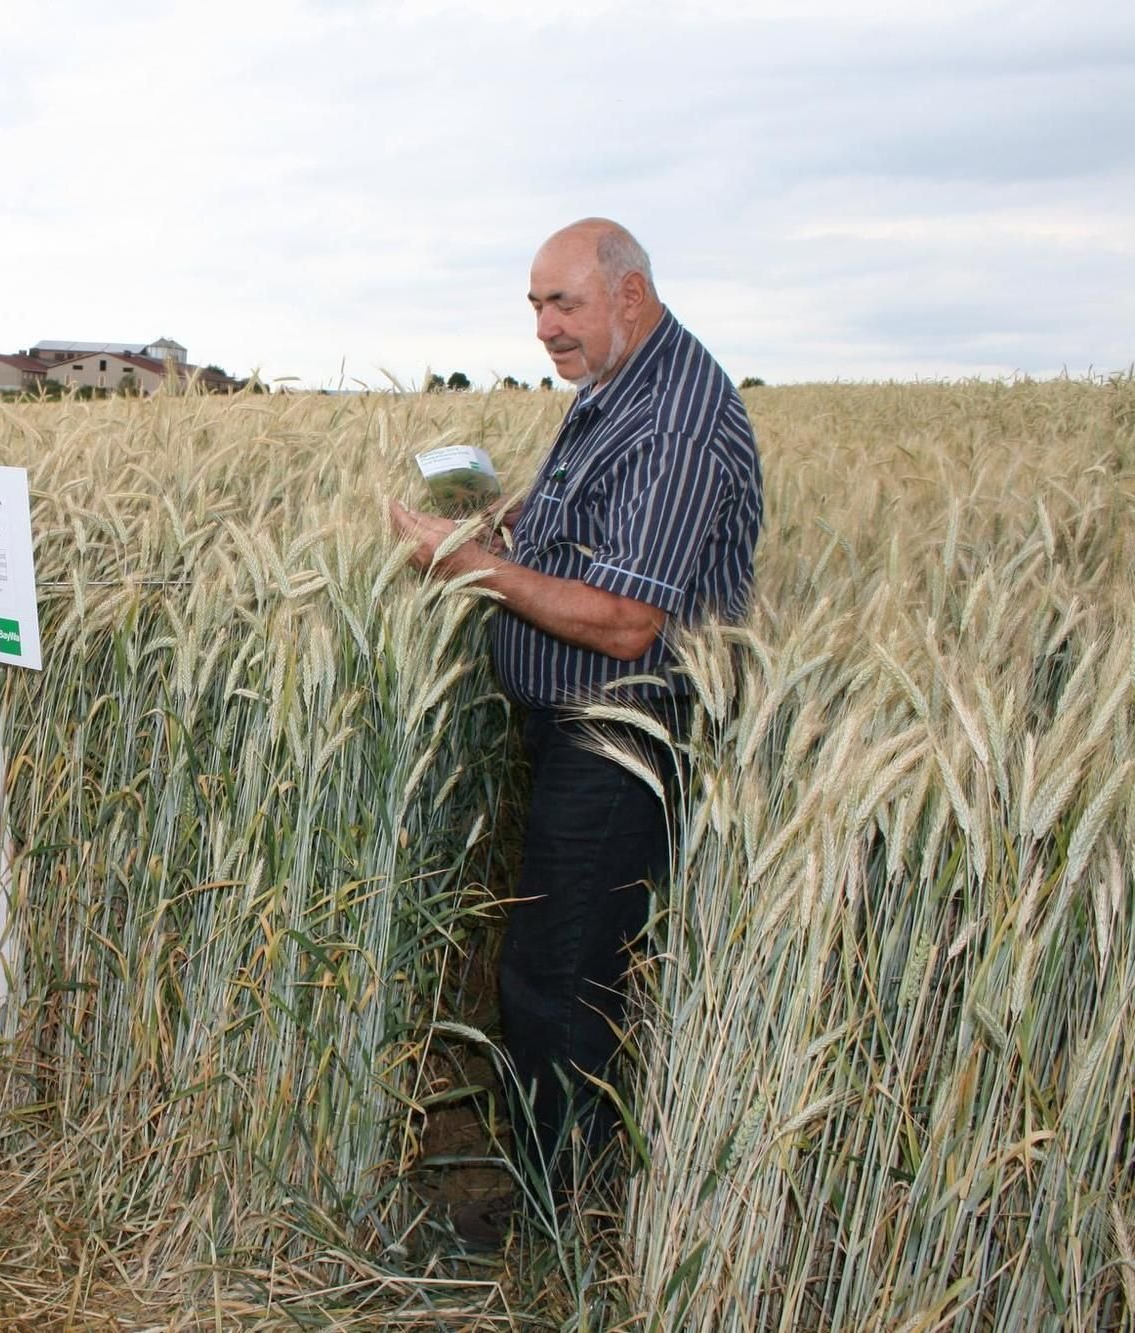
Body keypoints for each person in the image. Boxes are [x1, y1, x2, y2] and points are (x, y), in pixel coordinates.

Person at [392, 218, 762, 1226]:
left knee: (557, 982)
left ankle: (558, 1223)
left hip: (620, 739)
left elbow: (627, 620)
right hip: (574, 733)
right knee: (559, 969)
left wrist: (465, 566)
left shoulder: (675, 421)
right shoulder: (615, 384)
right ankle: (554, 1194)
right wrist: (503, 520)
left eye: (564, 303)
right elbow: (592, 530)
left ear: (629, 295)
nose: (545, 328)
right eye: (535, 306)